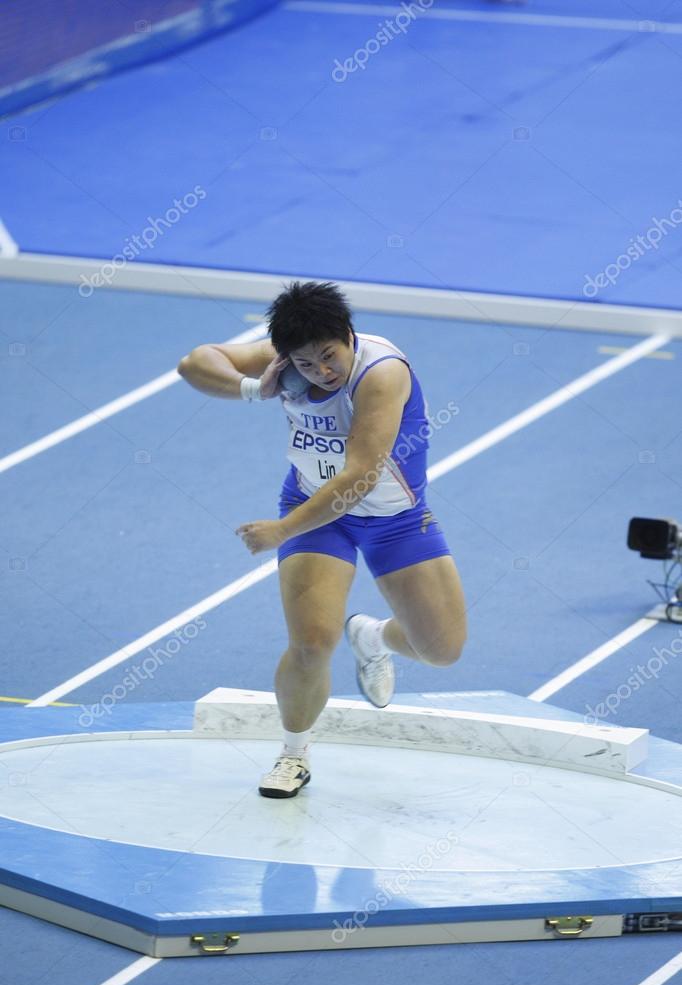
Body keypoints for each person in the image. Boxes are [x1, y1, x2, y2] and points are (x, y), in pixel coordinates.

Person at [177, 282, 467, 798]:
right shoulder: (286, 359)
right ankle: (293, 754)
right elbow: (195, 363)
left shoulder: (382, 374)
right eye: (305, 365)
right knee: (311, 643)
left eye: (329, 358)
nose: (321, 372)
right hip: (318, 513)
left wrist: (281, 532)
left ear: (348, 336)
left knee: (442, 649)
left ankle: (374, 638)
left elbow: (358, 478)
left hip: (394, 518)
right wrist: (252, 389)